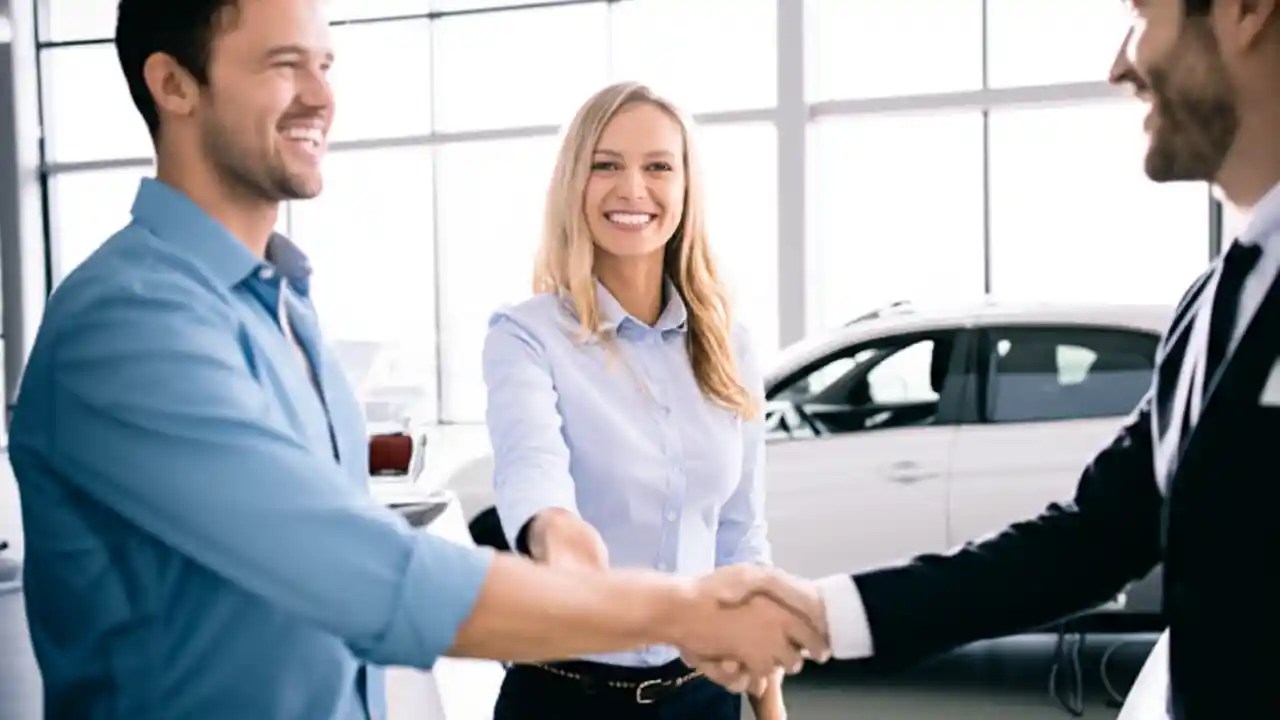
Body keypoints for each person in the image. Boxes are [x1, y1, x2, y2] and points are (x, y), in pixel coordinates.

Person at [5, 2, 830, 719]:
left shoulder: (288, 312)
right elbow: (367, 575)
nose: (323, 96)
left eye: (325, 63)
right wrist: (679, 605)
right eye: (284, 64)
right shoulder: (131, 325)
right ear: (174, 84)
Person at [727, 0, 1280, 717]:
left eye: (1142, 12)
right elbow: (1094, 538)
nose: (1120, 66)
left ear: (1245, 11)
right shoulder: (1211, 303)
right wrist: (818, 614)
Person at [481, 81, 784, 719]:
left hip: (703, 697)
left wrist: (770, 705)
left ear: (685, 188)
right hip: (564, 696)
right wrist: (556, 534)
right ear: (575, 183)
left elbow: (740, 538)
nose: (633, 190)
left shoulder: (730, 345)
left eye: (657, 167)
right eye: (607, 165)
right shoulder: (527, 336)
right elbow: (530, 467)